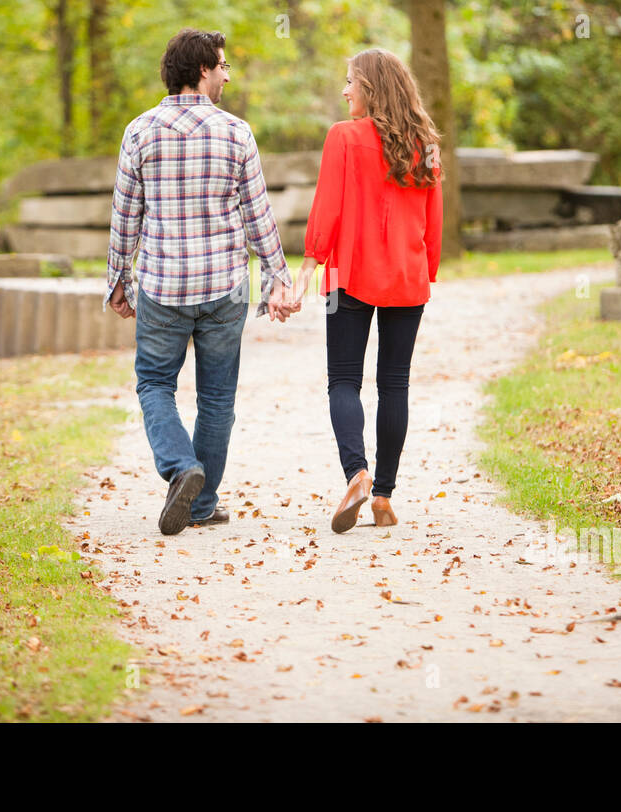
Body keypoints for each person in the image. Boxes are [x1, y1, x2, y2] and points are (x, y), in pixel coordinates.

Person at [106, 28, 295, 536]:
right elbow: (258, 216)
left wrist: (118, 280)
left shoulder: (139, 131)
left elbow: (126, 217)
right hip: (224, 287)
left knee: (154, 383)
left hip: (163, 285)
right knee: (217, 399)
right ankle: (203, 499)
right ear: (201, 71)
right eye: (223, 66)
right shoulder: (237, 132)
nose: (228, 75)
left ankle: (180, 467)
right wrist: (279, 276)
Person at [288, 48, 443, 533]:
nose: (344, 90)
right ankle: (383, 498)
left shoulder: (343, 137)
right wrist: (426, 268)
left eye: (350, 81)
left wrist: (308, 267)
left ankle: (356, 473)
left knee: (343, 380)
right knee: (395, 383)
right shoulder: (428, 144)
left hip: (345, 276)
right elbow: (433, 223)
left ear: (371, 87)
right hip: (407, 276)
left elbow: (327, 207)